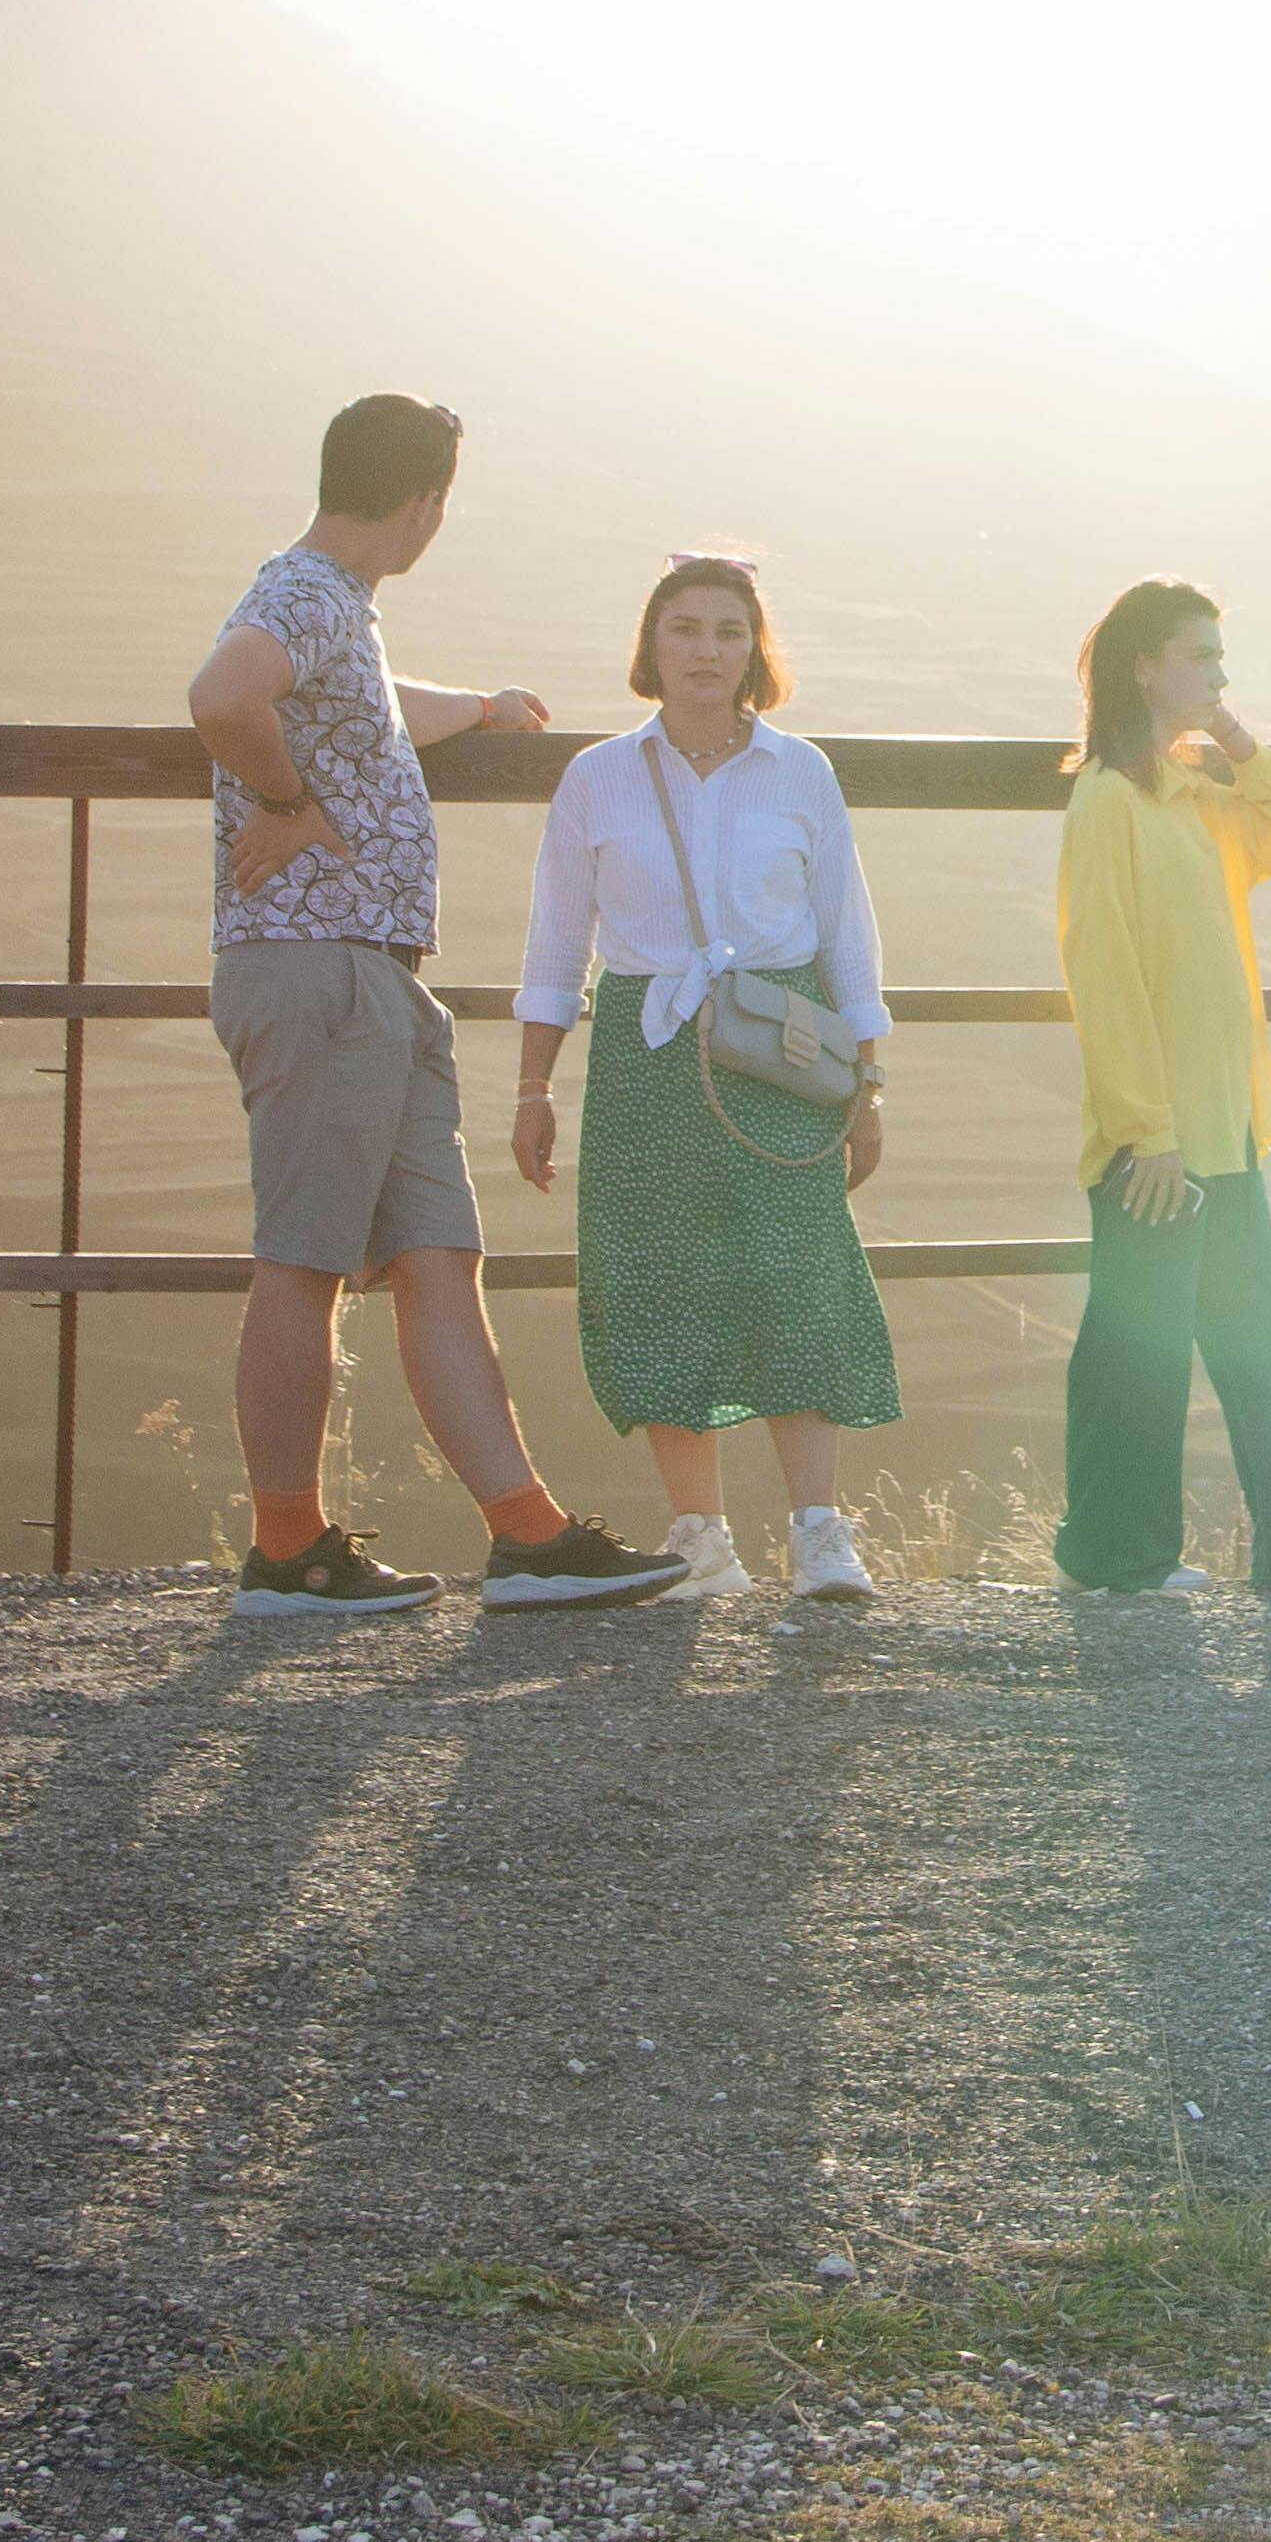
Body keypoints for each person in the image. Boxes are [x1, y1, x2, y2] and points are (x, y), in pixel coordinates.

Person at [188, 394, 684, 1622]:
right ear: (423, 505)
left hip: (370, 983)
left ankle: (528, 1537)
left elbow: (357, 704)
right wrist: (290, 803)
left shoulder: (330, 607)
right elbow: (223, 695)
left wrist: (479, 708)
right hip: (317, 970)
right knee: (302, 1263)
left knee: (437, 1259)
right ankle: (288, 1553)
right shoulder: (302, 595)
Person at [514, 555, 899, 1605]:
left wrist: (867, 1083)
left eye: (728, 631)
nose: (705, 650)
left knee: (796, 1268)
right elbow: (557, 946)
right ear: (652, 647)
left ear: (754, 652)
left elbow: (844, 935)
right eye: (684, 628)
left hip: (782, 1045)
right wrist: (530, 1088)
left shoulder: (800, 772)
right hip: (644, 1050)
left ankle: (820, 1533)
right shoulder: (596, 775)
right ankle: (699, 1541)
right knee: (657, 1278)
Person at [1050, 580, 1271, 1599]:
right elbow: (1100, 973)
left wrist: (1228, 729)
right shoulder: (1106, 803)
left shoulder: (1201, 801)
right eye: (1201, 655)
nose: (1219, 671)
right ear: (1143, 665)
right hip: (1152, 1137)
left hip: (1225, 1124)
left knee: (1260, 1346)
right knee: (1136, 1355)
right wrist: (1143, 1131)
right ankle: (1116, 1556)